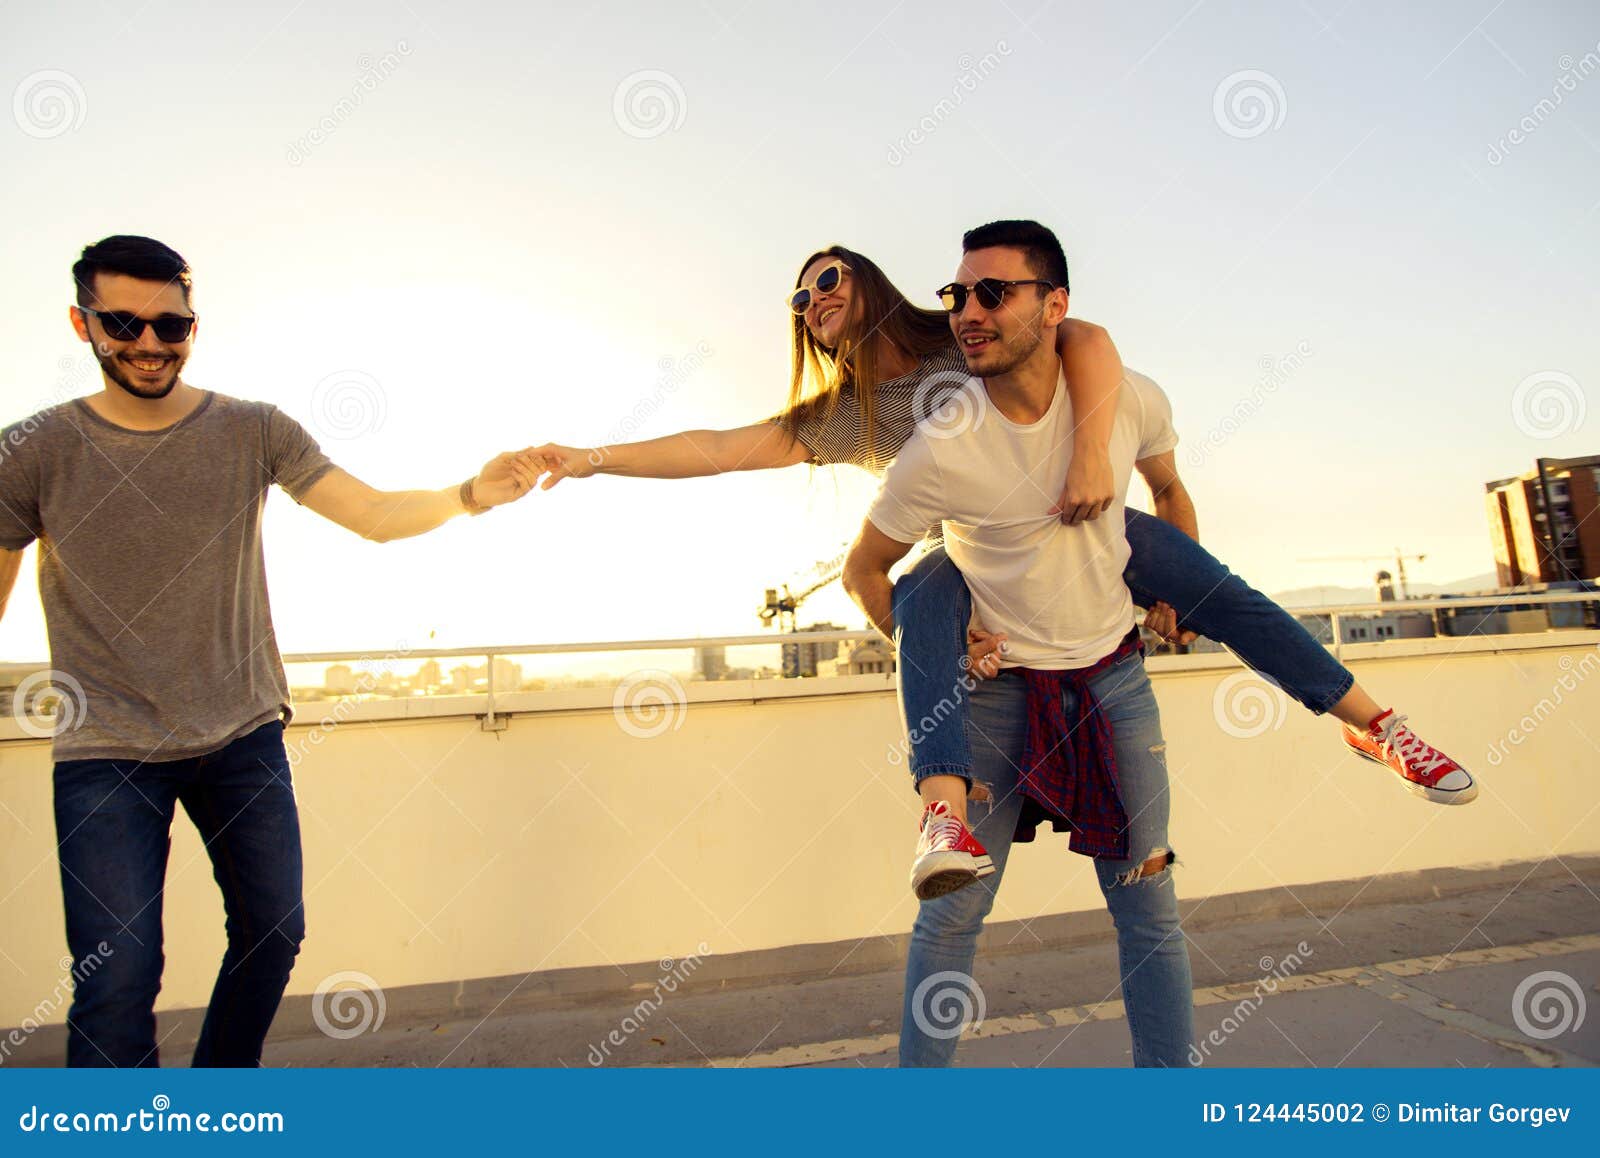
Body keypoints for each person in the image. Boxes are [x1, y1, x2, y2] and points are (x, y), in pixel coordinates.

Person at [529, 243, 1477, 896]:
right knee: (924, 587)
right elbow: (714, 447)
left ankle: (1375, 727)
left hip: (1076, 518)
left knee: (1222, 590)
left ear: (866, 282)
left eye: (825, 280)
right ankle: (941, 817)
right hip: (971, 555)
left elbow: (1092, 343)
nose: (811, 301)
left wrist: (1095, 457)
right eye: (797, 300)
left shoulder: (968, 328)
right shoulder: (840, 417)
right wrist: (588, 458)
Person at [0, 235, 541, 1067]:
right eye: (123, 324)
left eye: (171, 327)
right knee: (117, 979)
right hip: (106, 750)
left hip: (241, 736)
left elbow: (371, 514)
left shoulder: (253, 431)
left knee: (274, 932)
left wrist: (472, 495)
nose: (149, 344)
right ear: (83, 324)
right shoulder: (32, 449)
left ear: (192, 325)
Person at [842, 219, 1192, 1066]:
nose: (968, 310)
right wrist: (940, 647)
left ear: (1054, 305)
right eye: (957, 294)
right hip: (996, 700)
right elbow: (866, 572)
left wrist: (1172, 596)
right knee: (953, 909)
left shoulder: (1124, 395)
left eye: (992, 292)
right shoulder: (941, 445)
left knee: (1147, 903)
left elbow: (1171, 486)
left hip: (1113, 682)